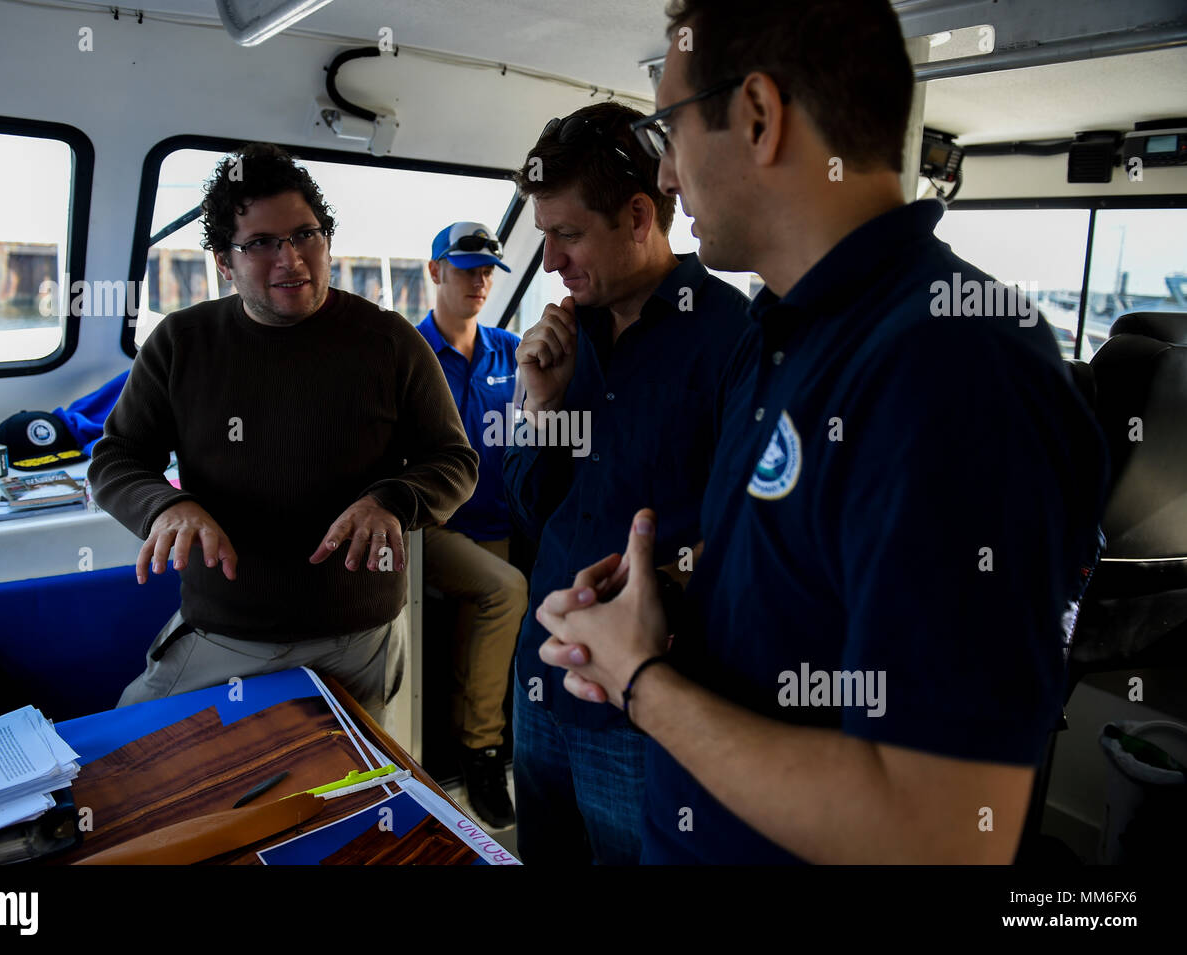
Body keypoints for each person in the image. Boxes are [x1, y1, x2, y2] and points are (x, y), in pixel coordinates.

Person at [534, 0, 1109, 863]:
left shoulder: (951, 363)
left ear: (759, 117)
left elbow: (943, 830)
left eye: (672, 128)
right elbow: (810, 584)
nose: (666, 180)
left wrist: (639, 679)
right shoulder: (783, 335)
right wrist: (672, 594)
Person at [88, 143, 478, 725]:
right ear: (224, 262)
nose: (290, 259)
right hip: (224, 636)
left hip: (359, 639)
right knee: (126, 761)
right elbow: (116, 457)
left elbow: (453, 460)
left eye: (305, 235)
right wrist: (166, 507)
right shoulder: (181, 343)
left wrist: (392, 500)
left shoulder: (390, 341)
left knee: (336, 802)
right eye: (261, 244)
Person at [504, 101, 752, 864]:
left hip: (639, 701)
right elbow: (532, 510)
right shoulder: (562, 335)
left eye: (568, 234)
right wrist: (538, 410)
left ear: (640, 215)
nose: (549, 262)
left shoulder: (733, 340)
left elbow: (747, 544)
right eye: (543, 237)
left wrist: (671, 582)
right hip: (540, 671)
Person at [414, 221, 527, 829]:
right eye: (464, 268)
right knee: (503, 589)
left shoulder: (512, 352)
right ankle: (482, 754)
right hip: (431, 527)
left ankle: (527, 746)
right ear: (436, 272)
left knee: (512, 595)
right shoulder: (408, 355)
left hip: (500, 522)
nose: (478, 280)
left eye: (487, 271)